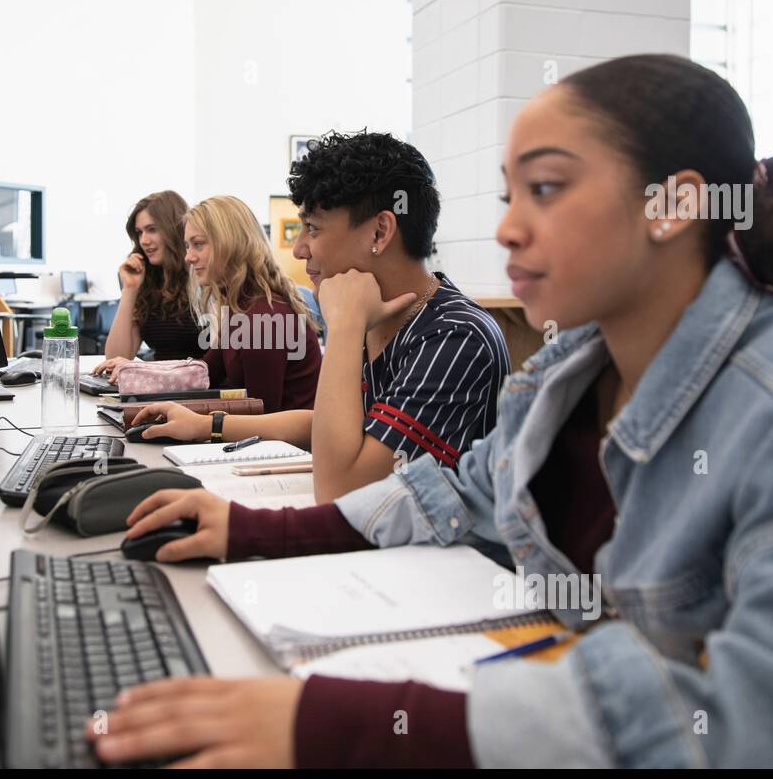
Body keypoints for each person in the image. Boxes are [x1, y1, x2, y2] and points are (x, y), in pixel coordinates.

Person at [93, 55, 773, 768]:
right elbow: (453, 489)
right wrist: (251, 530)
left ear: (673, 206)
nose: (508, 229)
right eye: (511, 195)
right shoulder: (576, 360)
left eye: (546, 190)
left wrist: (334, 727)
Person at [129, 131, 509, 504]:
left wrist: (344, 327)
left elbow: (340, 493)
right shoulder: (378, 317)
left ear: (379, 232)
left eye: (312, 228)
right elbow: (327, 423)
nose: (298, 249)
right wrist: (206, 425)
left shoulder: (456, 336)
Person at [180, 195, 321, 411]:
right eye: (188, 246)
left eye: (198, 245)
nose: (188, 257)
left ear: (231, 244)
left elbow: (261, 415)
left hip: (282, 433)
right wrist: (137, 373)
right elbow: (205, 374)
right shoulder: (242, 305)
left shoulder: (264, 318)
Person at [96, 190, 205, 369]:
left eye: (152, 229)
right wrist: (129, 290)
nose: (144, 241)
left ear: (174, 230)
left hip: (199, 383)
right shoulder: (149, 283)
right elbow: (115, 359)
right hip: (159, 381)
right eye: (139, 233)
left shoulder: (202, 276)